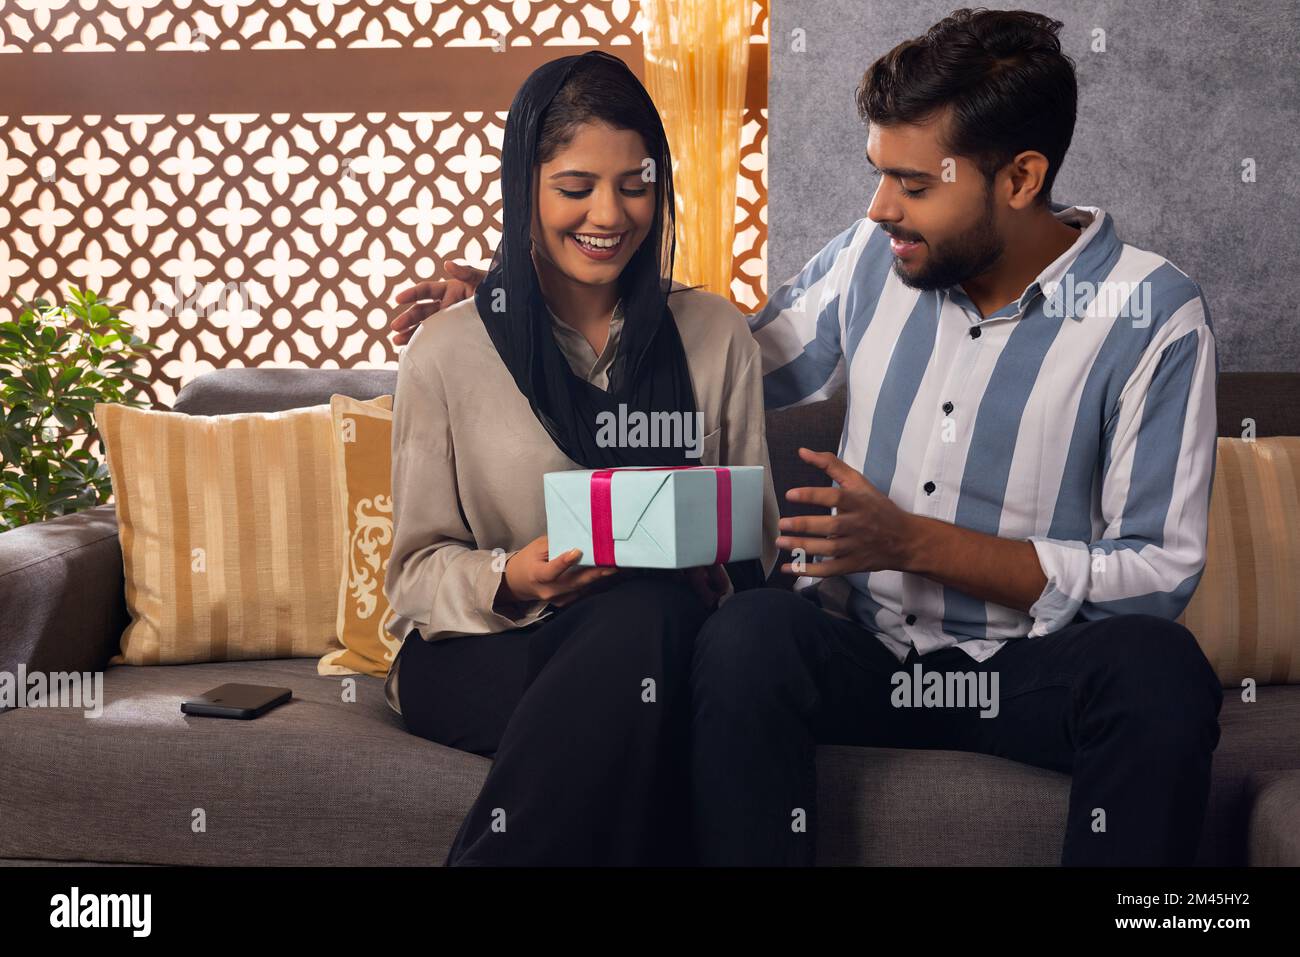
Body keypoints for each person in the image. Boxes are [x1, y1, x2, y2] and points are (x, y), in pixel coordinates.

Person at [393, 9, 1223, 867]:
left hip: (1029, 668)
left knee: (1161, 671)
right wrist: (514, 304)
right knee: (748, 633)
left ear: (1019, 177)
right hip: (859, 655)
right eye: (879, 175)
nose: (879, 208)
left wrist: (915, 543)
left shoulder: (1151, 315)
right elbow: (702, 355)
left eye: (914, 183)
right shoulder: (876, 257)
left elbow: (1155, 577)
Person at [381, 49, 779, 866]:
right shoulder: (449, 349)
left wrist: (716, 570)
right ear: (522, 186)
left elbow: (756, 546)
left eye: (636, 184)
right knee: (646, 636)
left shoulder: (715, 336)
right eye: (575, 188)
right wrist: (515, 574)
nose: (611, 213)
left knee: (650, 619)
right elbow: (414, 576)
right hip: (482, 648)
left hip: (662, 641)